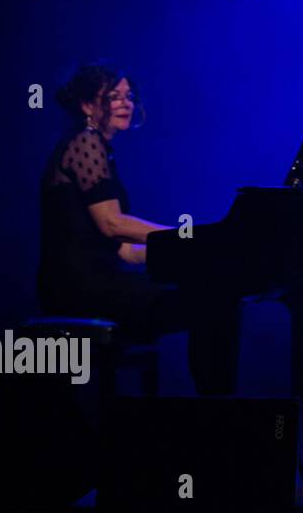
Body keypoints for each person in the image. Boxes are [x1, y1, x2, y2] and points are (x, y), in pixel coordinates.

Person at [37, 63, 240, 395]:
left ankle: (215, 405)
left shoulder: (98, 149)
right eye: (113, 96)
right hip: (77, 286)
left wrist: (193, 254)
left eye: (128, 95)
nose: (126, 103)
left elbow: (128, 252)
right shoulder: (85, 143)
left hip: (98, 281)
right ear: (87, 105)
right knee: (212, 302)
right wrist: (184, 238)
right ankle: (216, 410)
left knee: (214, 295)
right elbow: (112, 224)